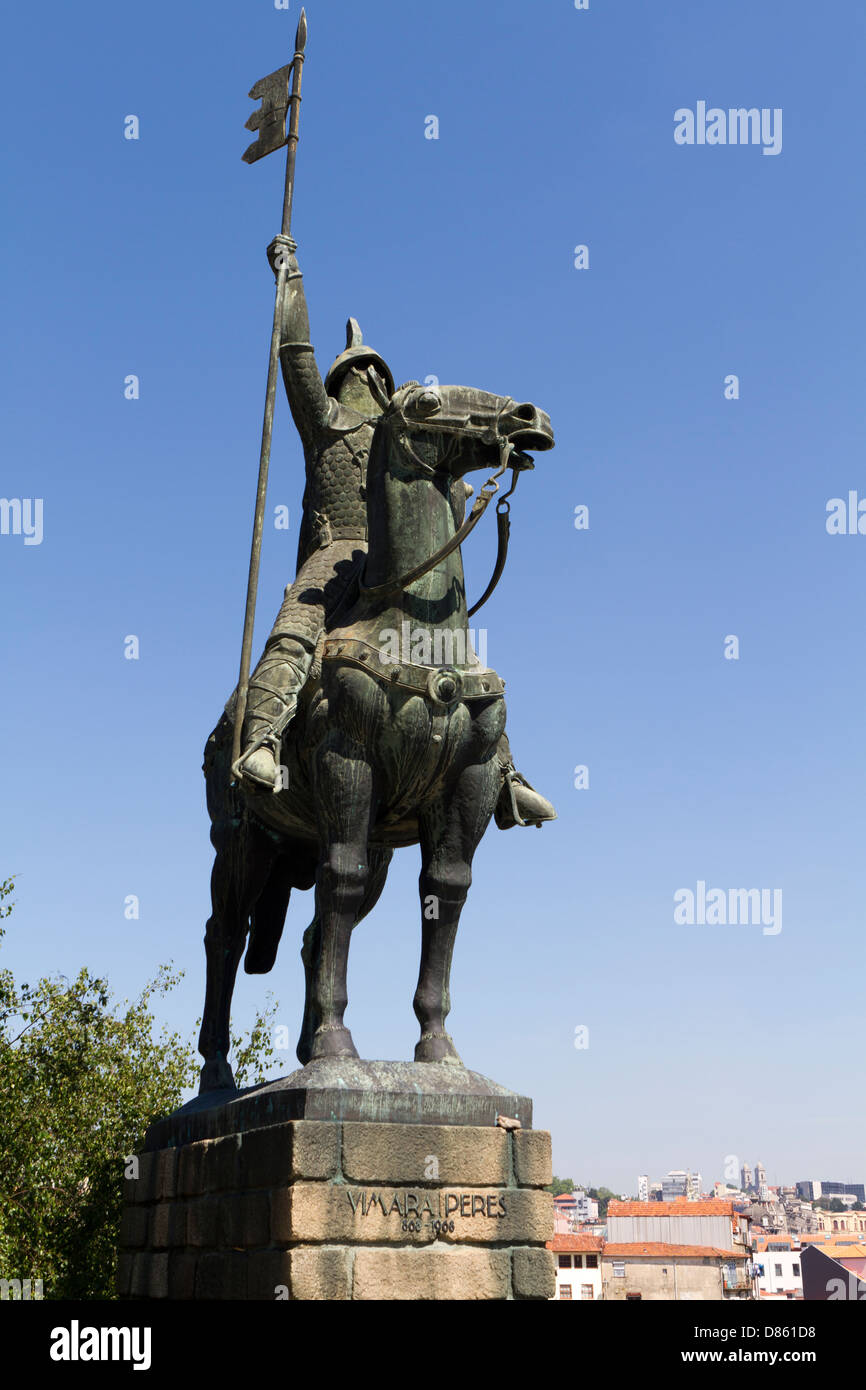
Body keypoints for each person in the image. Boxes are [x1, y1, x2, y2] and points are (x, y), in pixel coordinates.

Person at [235, 235, 555, 830]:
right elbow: (295, 356)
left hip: (405, 559)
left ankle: (501, 770)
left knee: (457, 652)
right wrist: (292, 279)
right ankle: (264, 737)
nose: (368, 380)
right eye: (359, 371)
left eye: (374, 374)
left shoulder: (410, 442)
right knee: (296, 631)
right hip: (338, 555)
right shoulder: (326, 421)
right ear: (342, 380)